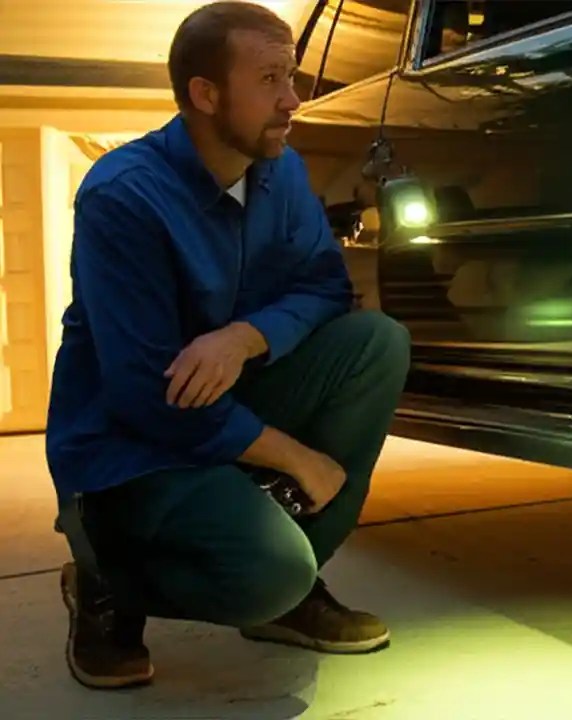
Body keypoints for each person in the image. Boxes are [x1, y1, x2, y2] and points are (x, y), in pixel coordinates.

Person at [45, 0, 410, 690]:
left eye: (291, 76)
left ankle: (292, 596)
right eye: (270, 79)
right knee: (267, 571)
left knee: (376, 344)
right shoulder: (124, 197)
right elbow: (142, 395)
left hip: (225, 400)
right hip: (132, 450)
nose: (292, 99)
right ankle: (103, 581)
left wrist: (244, 338)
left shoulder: (281, 174)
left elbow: (327, 289)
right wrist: (293, 456)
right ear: (204, 95)